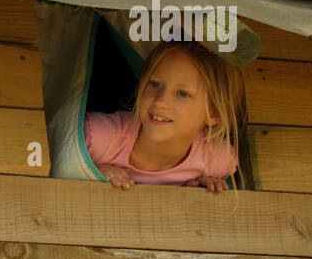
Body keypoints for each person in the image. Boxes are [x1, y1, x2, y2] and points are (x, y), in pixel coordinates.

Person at [85, 39, 247, 192]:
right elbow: (65, 152)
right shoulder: (99, 137)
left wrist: (208, 183)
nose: (161, 101)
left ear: (213, 112)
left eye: (182, 93)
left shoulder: (214, 157)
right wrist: (90, 170)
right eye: (155, 84)